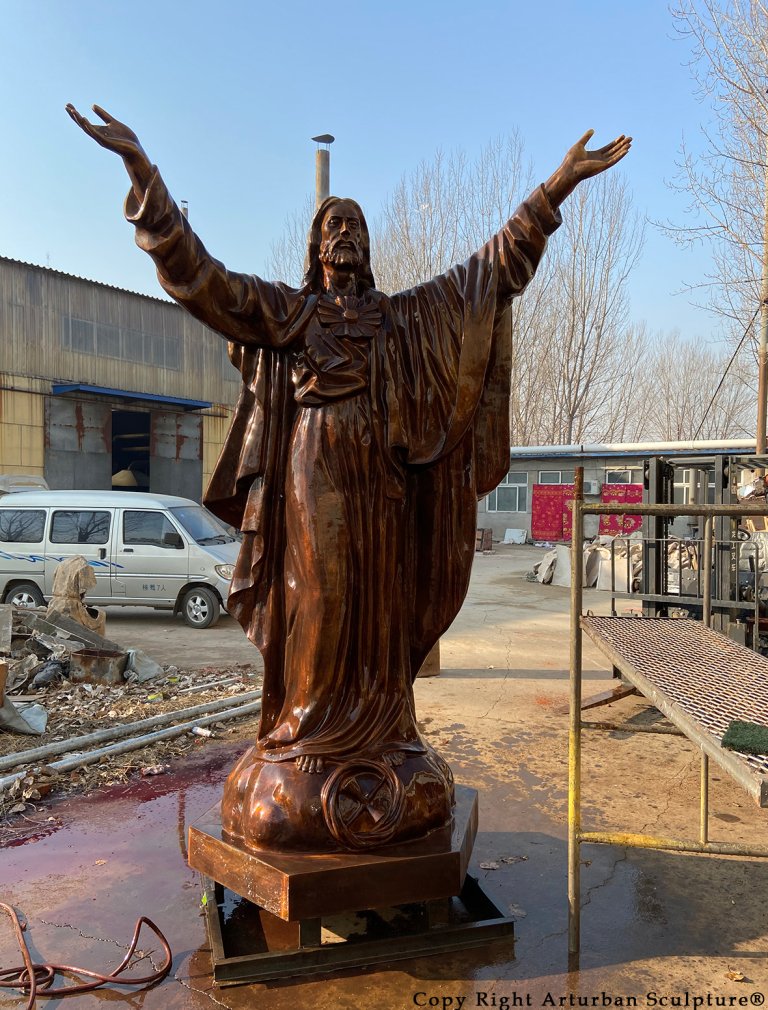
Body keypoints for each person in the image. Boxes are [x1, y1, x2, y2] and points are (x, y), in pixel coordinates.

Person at [67, 104, 630, 851]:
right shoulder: (290, 314)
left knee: (379, 602)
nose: (346, 234)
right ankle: (306, 737)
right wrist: (145, 175)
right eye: (333, 226)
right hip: (314, 472)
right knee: (323, 599)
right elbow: (199, 278)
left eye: (356, 226)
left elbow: (488, 273)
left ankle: (383, 735)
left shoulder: (401, 319)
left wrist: (553, 191)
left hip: (382, 479)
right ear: (315, 246)